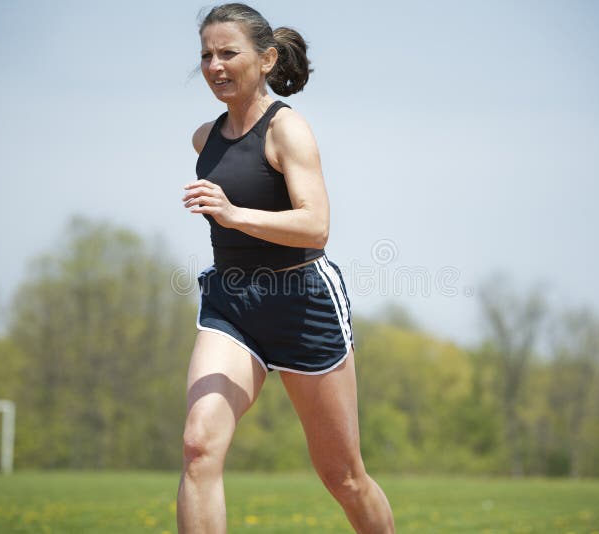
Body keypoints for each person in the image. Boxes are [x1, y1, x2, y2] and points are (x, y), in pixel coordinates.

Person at [177, 3, 395, 533]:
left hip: (303, 305)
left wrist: (233, 214)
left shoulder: (288, 130)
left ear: (267, 58)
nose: (215, 65)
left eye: (229, 52)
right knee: (198, 447)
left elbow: (316, 226)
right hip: (231, 305)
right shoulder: (204, 138)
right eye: (207, 55)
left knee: (342, 476)